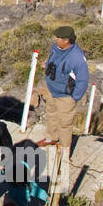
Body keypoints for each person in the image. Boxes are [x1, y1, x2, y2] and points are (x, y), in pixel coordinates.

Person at [33, 25, 90, 170]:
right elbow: (54, 60)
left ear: (66, 40)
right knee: (52, 115)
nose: (55, 39)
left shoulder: (77, 57)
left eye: (58, 38)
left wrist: (74, 98)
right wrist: (47, 64)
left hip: (66, 96)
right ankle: (51, 137)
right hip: (52, 91)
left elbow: (83, 80)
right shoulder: (56, 48)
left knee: (65, 123)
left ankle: (65, 151)